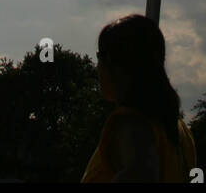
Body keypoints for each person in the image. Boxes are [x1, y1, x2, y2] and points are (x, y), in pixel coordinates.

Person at [81, 13, 197, 182]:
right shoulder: (178, 130)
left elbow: (142, 173)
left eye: (100, 56)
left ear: (116, 66)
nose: (97, 66)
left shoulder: (132, 123)